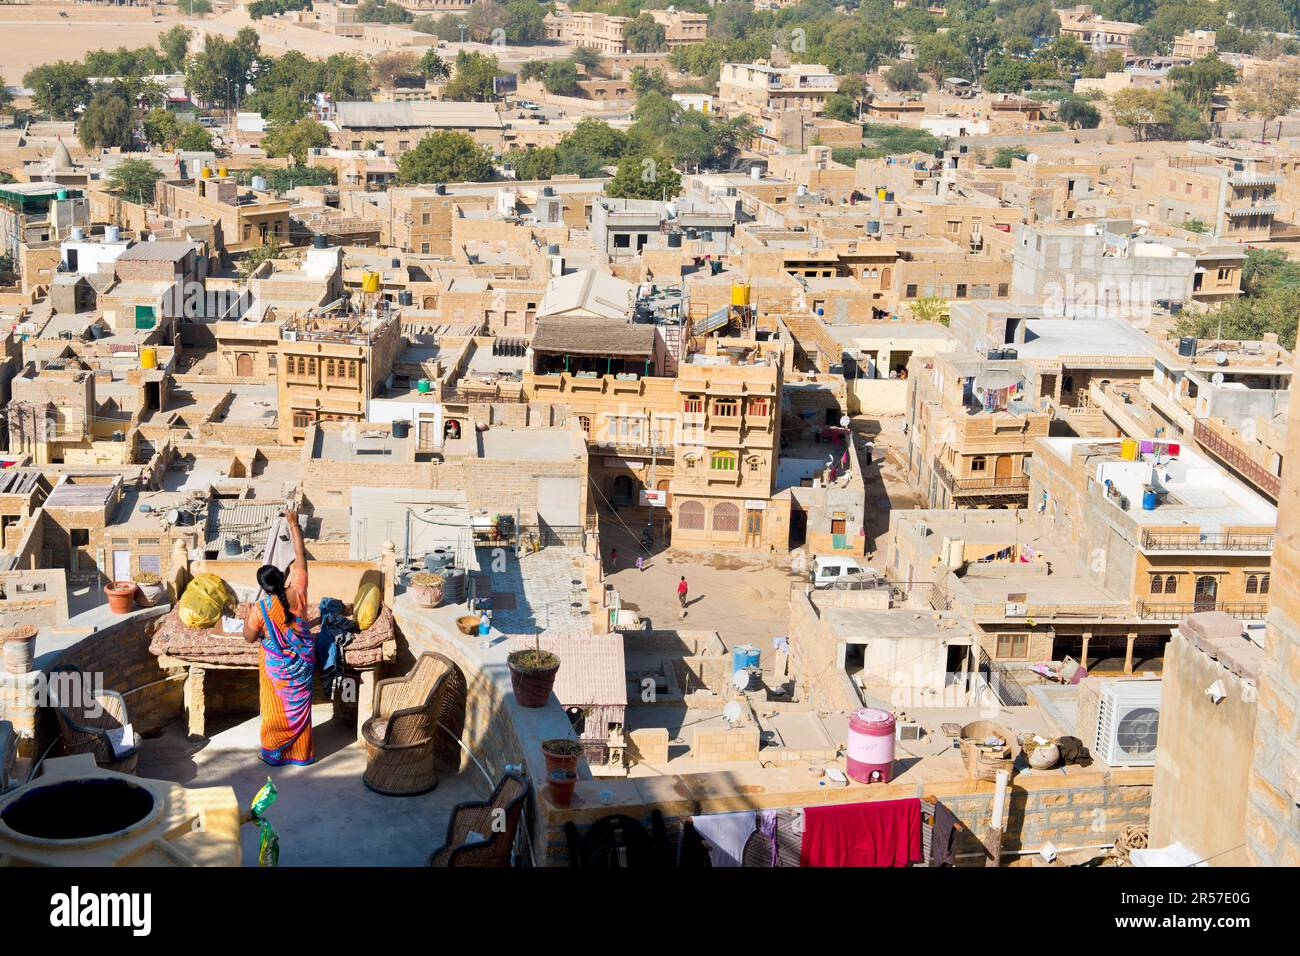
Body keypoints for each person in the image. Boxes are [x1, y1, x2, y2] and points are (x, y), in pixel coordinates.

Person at [243, 509, 315, 767]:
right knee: (301, 710)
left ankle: (275, 753)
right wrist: (294, 524)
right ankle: (300, 753)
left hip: (277, 670)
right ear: (282, 577)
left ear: (264, 588)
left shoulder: (260, 609)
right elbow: (300, 555)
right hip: (302, 662)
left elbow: (249, 638)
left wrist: (247, 614)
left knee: (275, 708)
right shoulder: (298, 589)